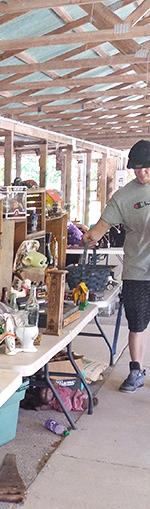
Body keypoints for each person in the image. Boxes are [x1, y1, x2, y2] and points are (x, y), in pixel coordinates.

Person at [81, 139, 150, 392]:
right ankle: (136, 371)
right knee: (137, 323)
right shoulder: (123, 197)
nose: (141, 173)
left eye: (146, 167)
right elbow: (101, 226)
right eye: (137, 168)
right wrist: (89, 236)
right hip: (137, 271)